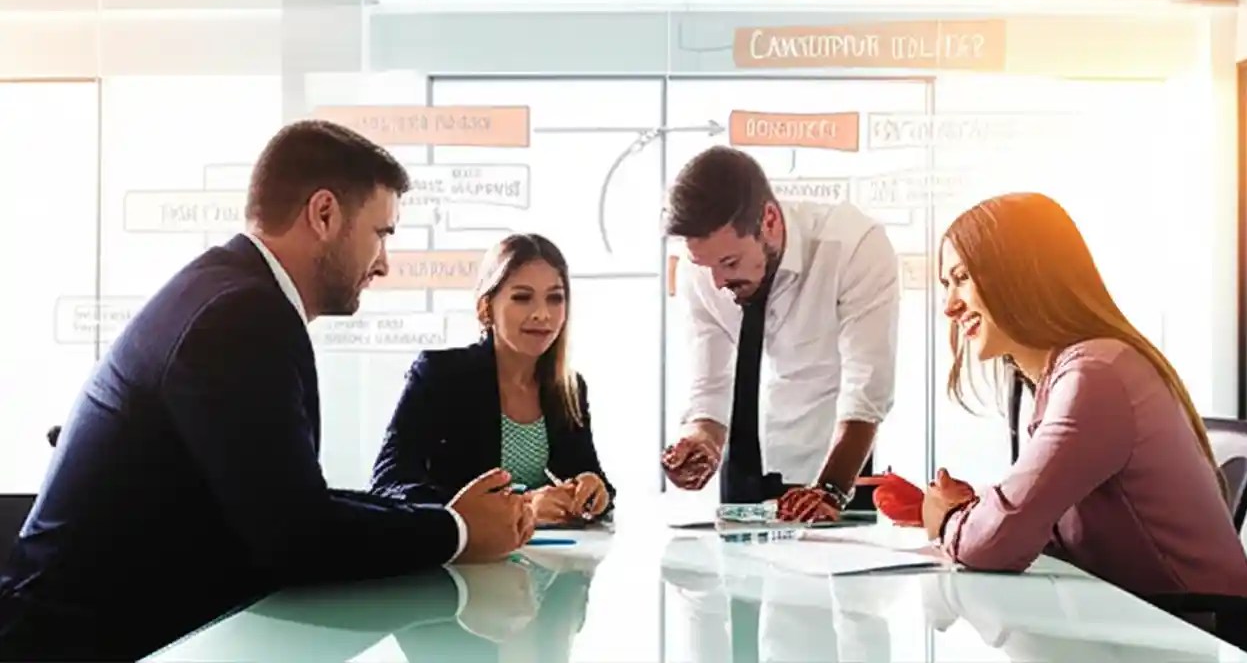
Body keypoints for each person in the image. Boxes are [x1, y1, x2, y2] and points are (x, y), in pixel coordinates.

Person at [0, 120, 534, 661]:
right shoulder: (239, 316)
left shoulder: (228, 292)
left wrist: (443, 517)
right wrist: (456, 532)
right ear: (324, 214)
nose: (384, 264)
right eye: (381, 234)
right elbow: (299, 539)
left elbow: (288, 501)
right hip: (75, 646)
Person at [922, 191, 1247, 599]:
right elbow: (1030, 526)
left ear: (1017, 274)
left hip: (1190, 639)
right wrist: (980, 516)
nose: (949, 307)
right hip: (1140, 625)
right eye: (945, 284)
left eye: (961, 279)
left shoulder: (1095, 376)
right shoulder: (1071, 375)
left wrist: (951, 518)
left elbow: (991, 544)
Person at [660, 145, 900, 521]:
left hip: (834, 472)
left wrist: (830, 490)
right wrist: (699, 441)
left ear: (769, 221)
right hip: (740, 491)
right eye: (704, 265)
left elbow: (867, 389)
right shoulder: (703, 272)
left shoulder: (853, 245)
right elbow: (709, 388)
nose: (718, 281)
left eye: (730, 262)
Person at [371, 233, 613, 526]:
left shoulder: (568, 388)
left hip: (546, 560)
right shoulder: (439, 374)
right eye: (522, 298)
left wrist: (592, 490)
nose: (542, 314)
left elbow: (588, 475)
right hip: (458, 558)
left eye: (555, 298)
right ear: (486, 308)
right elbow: (389, 483)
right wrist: (519, 507)